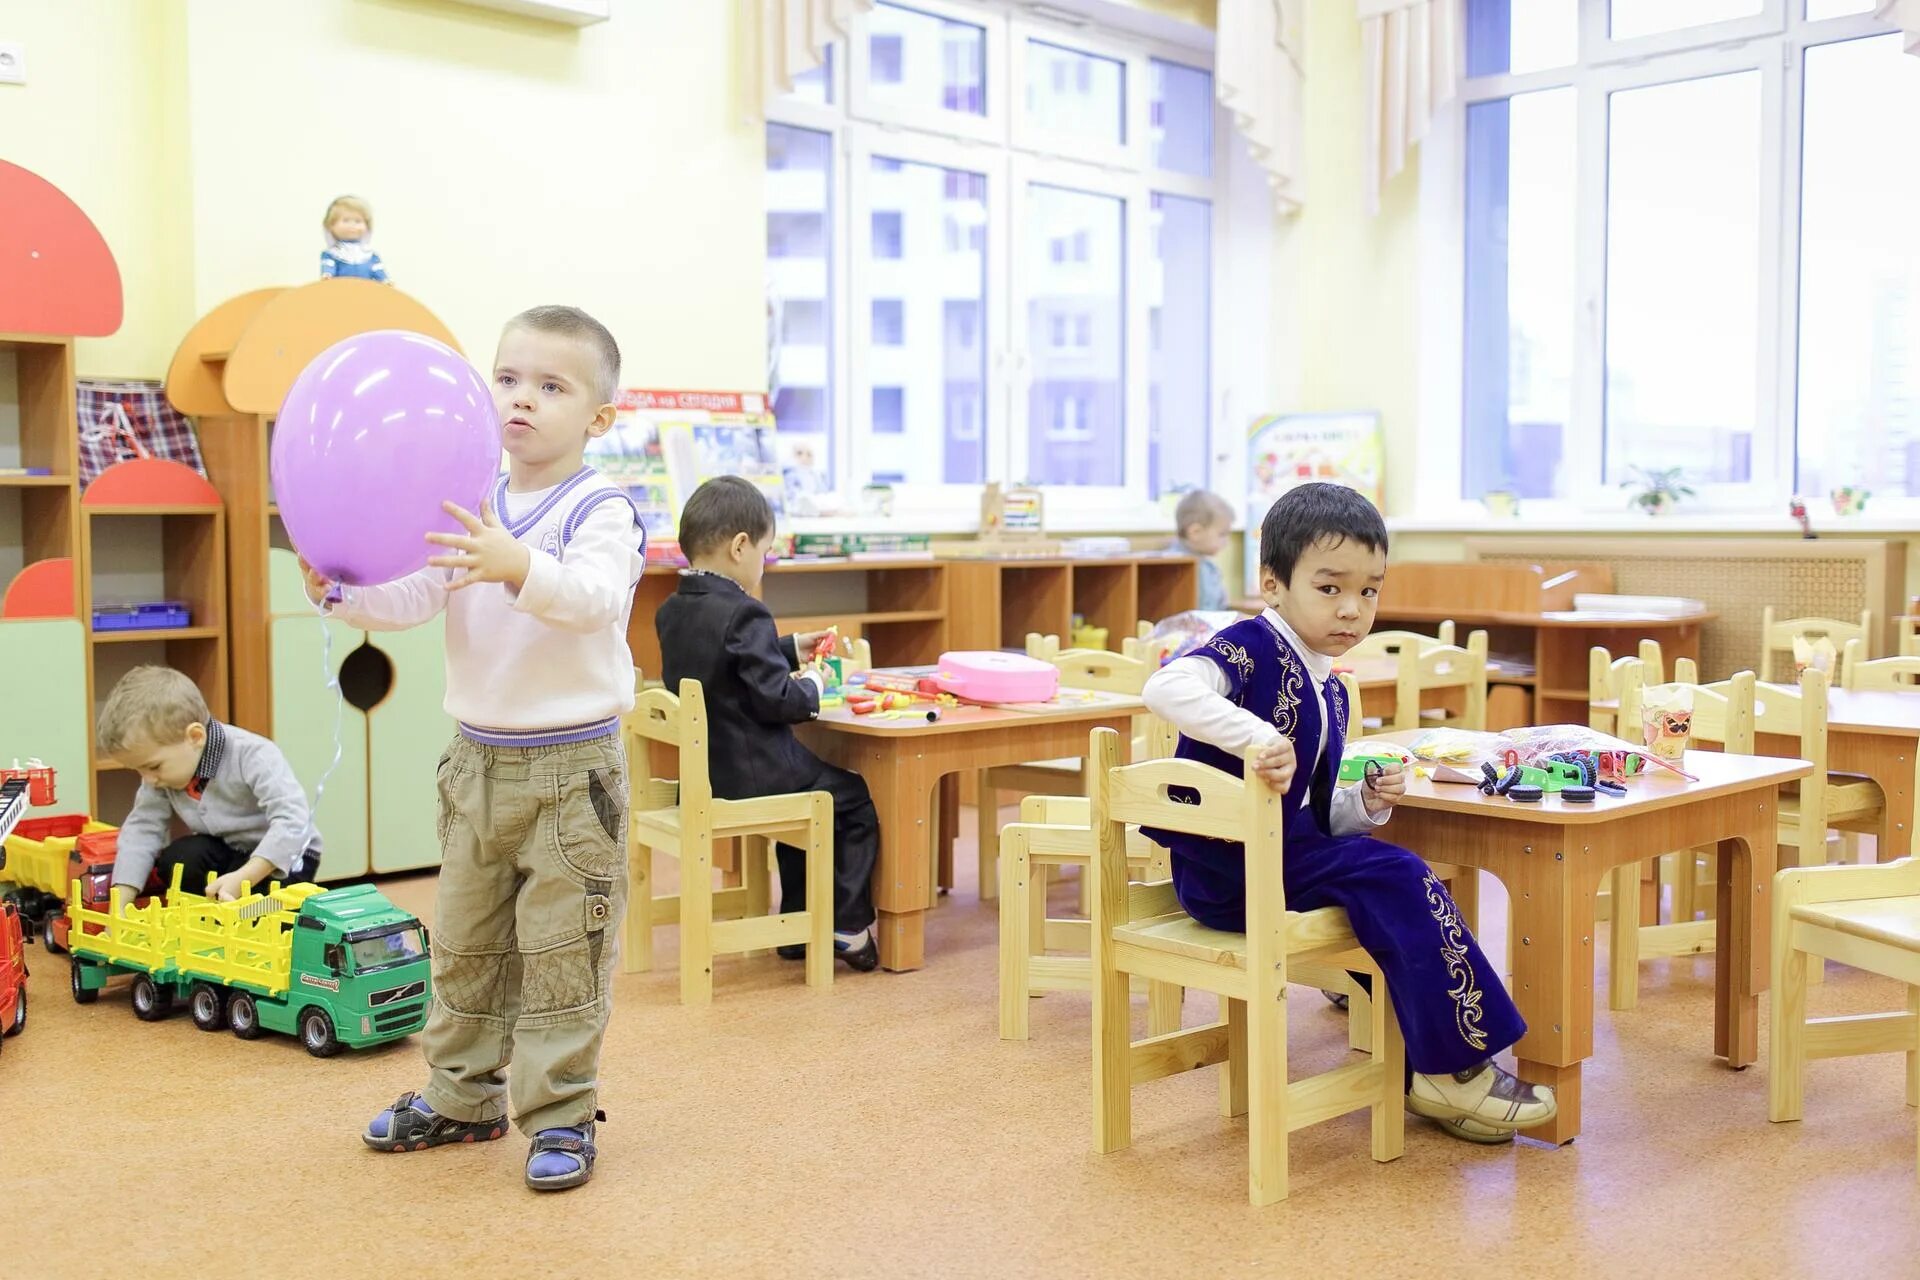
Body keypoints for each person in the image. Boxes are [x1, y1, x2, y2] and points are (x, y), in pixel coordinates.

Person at [302, 304, 644, 1191]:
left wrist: (516, 562)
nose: (521, 399)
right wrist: (345, 596)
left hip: (575, 774)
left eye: (551, 385)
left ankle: (562, 1116)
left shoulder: (602, 506)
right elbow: (418, 595)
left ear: (597, 418)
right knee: (465, 944)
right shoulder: (465, 496)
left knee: (564, 951)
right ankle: (459, 1098)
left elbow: (598, 598)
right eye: (508, 378)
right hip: (477, 765)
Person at [1141, 482, 1556, 1144]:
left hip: (1282, 857)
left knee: (1391, 871)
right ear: (1273, 583)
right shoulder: (1247, 645)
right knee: (1394, 874)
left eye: (1368, 591)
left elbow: (1316, 815)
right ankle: (1452, 1072)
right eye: (1330, 588)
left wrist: (1361, 803)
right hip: (1229, 873)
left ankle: (1430, 1052)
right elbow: (1165, 685)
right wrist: (1255, 737)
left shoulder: (1330, 688)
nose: (1352, 609)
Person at [655, 475, 880, 970]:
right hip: (756, 773)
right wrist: (816, 681)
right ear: (740, 546)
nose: (764, 562)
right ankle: (847, 922)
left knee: (808, 806)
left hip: (710, 773)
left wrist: (790, 648)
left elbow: (722, 666)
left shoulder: (673, 610)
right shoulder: (745, 612)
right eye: (765, 551)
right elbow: (781, 701)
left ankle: (797, 927)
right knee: (853, 799)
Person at [97, 665, 322, 903]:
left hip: (289, 856)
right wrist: (120, 903)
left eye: (153, 766)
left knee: (268, 907)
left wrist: (244, 878)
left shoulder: (254, 755)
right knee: (179, 859)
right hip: (232, 851)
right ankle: (211, 915)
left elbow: (293, 822)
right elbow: (142, 830)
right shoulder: (162, 775)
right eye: (139, 770)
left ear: (195, 737)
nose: (148, 779)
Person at [1172, 489, 1234, 611]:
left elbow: (1221, 605)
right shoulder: (1174, 566)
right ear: (1195, 532)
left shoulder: (1209, 567)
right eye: (1222, 534)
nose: (1226, 542)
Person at [319, 194, 391, 283]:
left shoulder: (370, 255)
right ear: (331, 225)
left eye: (358, 221)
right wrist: (327, 275)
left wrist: (385, 280)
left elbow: (378, 271)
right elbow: (328, 269)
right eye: (346, 220)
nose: (352, 225)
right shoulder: (332, 254)